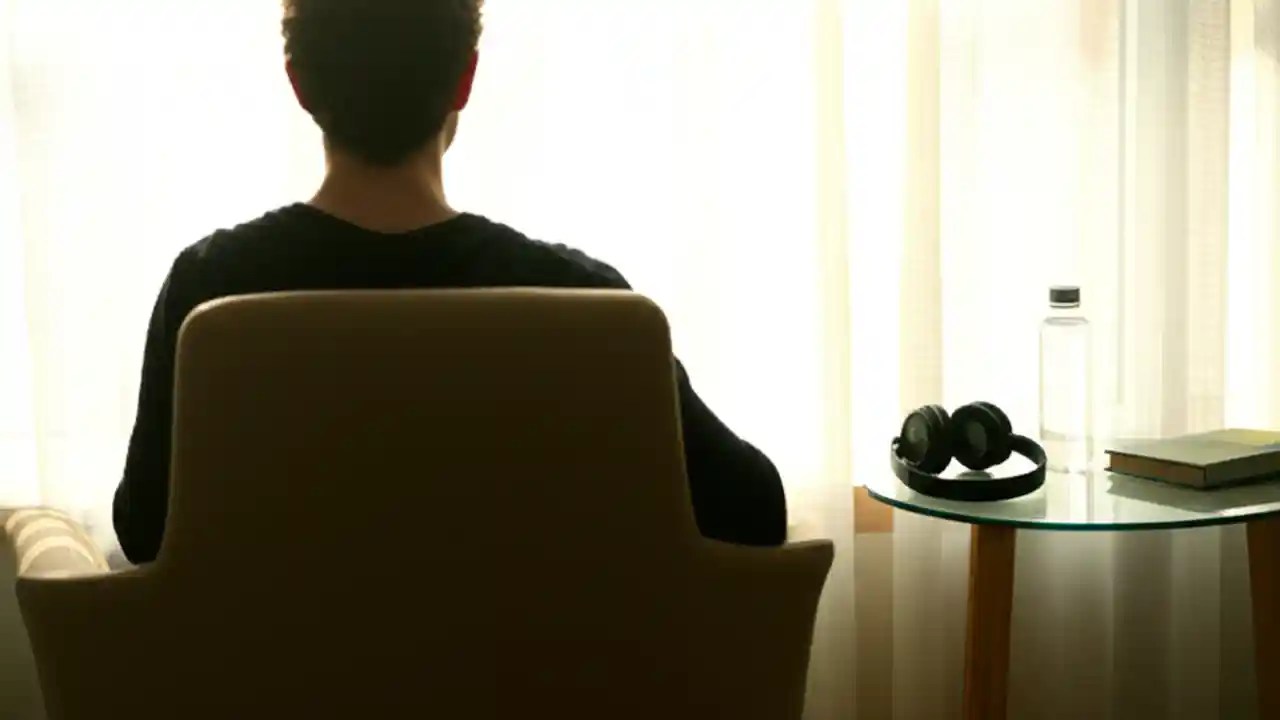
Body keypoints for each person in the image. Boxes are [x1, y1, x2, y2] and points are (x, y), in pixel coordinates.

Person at [112, 0, 786, 565]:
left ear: (300, 85)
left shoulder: (210, 289)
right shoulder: (586, 305)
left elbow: (143, 533)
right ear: (465, 79)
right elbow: (753, 510)